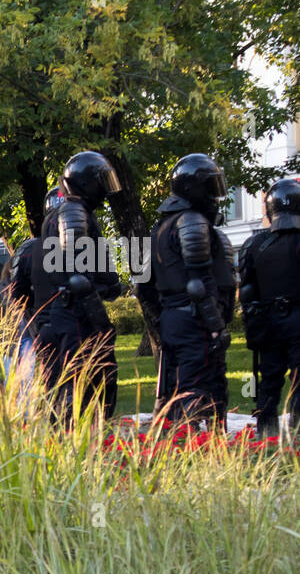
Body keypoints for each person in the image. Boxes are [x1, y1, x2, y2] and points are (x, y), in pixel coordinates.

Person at [26, 153, 123, 419]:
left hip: (62, 316)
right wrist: (99, 320)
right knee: (78, 385)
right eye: (100, 181)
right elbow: (76, 277)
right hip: (74, 315)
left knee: (73, 385)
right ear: (87, 183)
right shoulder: (72, 212)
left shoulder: (64, 213)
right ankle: (75, 447)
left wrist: (110, 284)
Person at [141, 154, 232, 426]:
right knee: (197, 386)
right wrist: (216, 325)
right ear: (195, 188)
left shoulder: (159, 228)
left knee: (181, 386)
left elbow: (143, 286)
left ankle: (191, 445)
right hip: (195, 319)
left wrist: (163, 318)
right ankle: (192, 451)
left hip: (174, 318)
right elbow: (197, 284)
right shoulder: (191, 221)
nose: (215, 196)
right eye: (210, 187)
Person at [238, 177, 300, 437]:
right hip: (296, 319)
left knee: (269, 380)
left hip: (268, 321)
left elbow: (247, 290)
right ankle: (296, 430)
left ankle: (266, 431)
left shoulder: (254, 245)